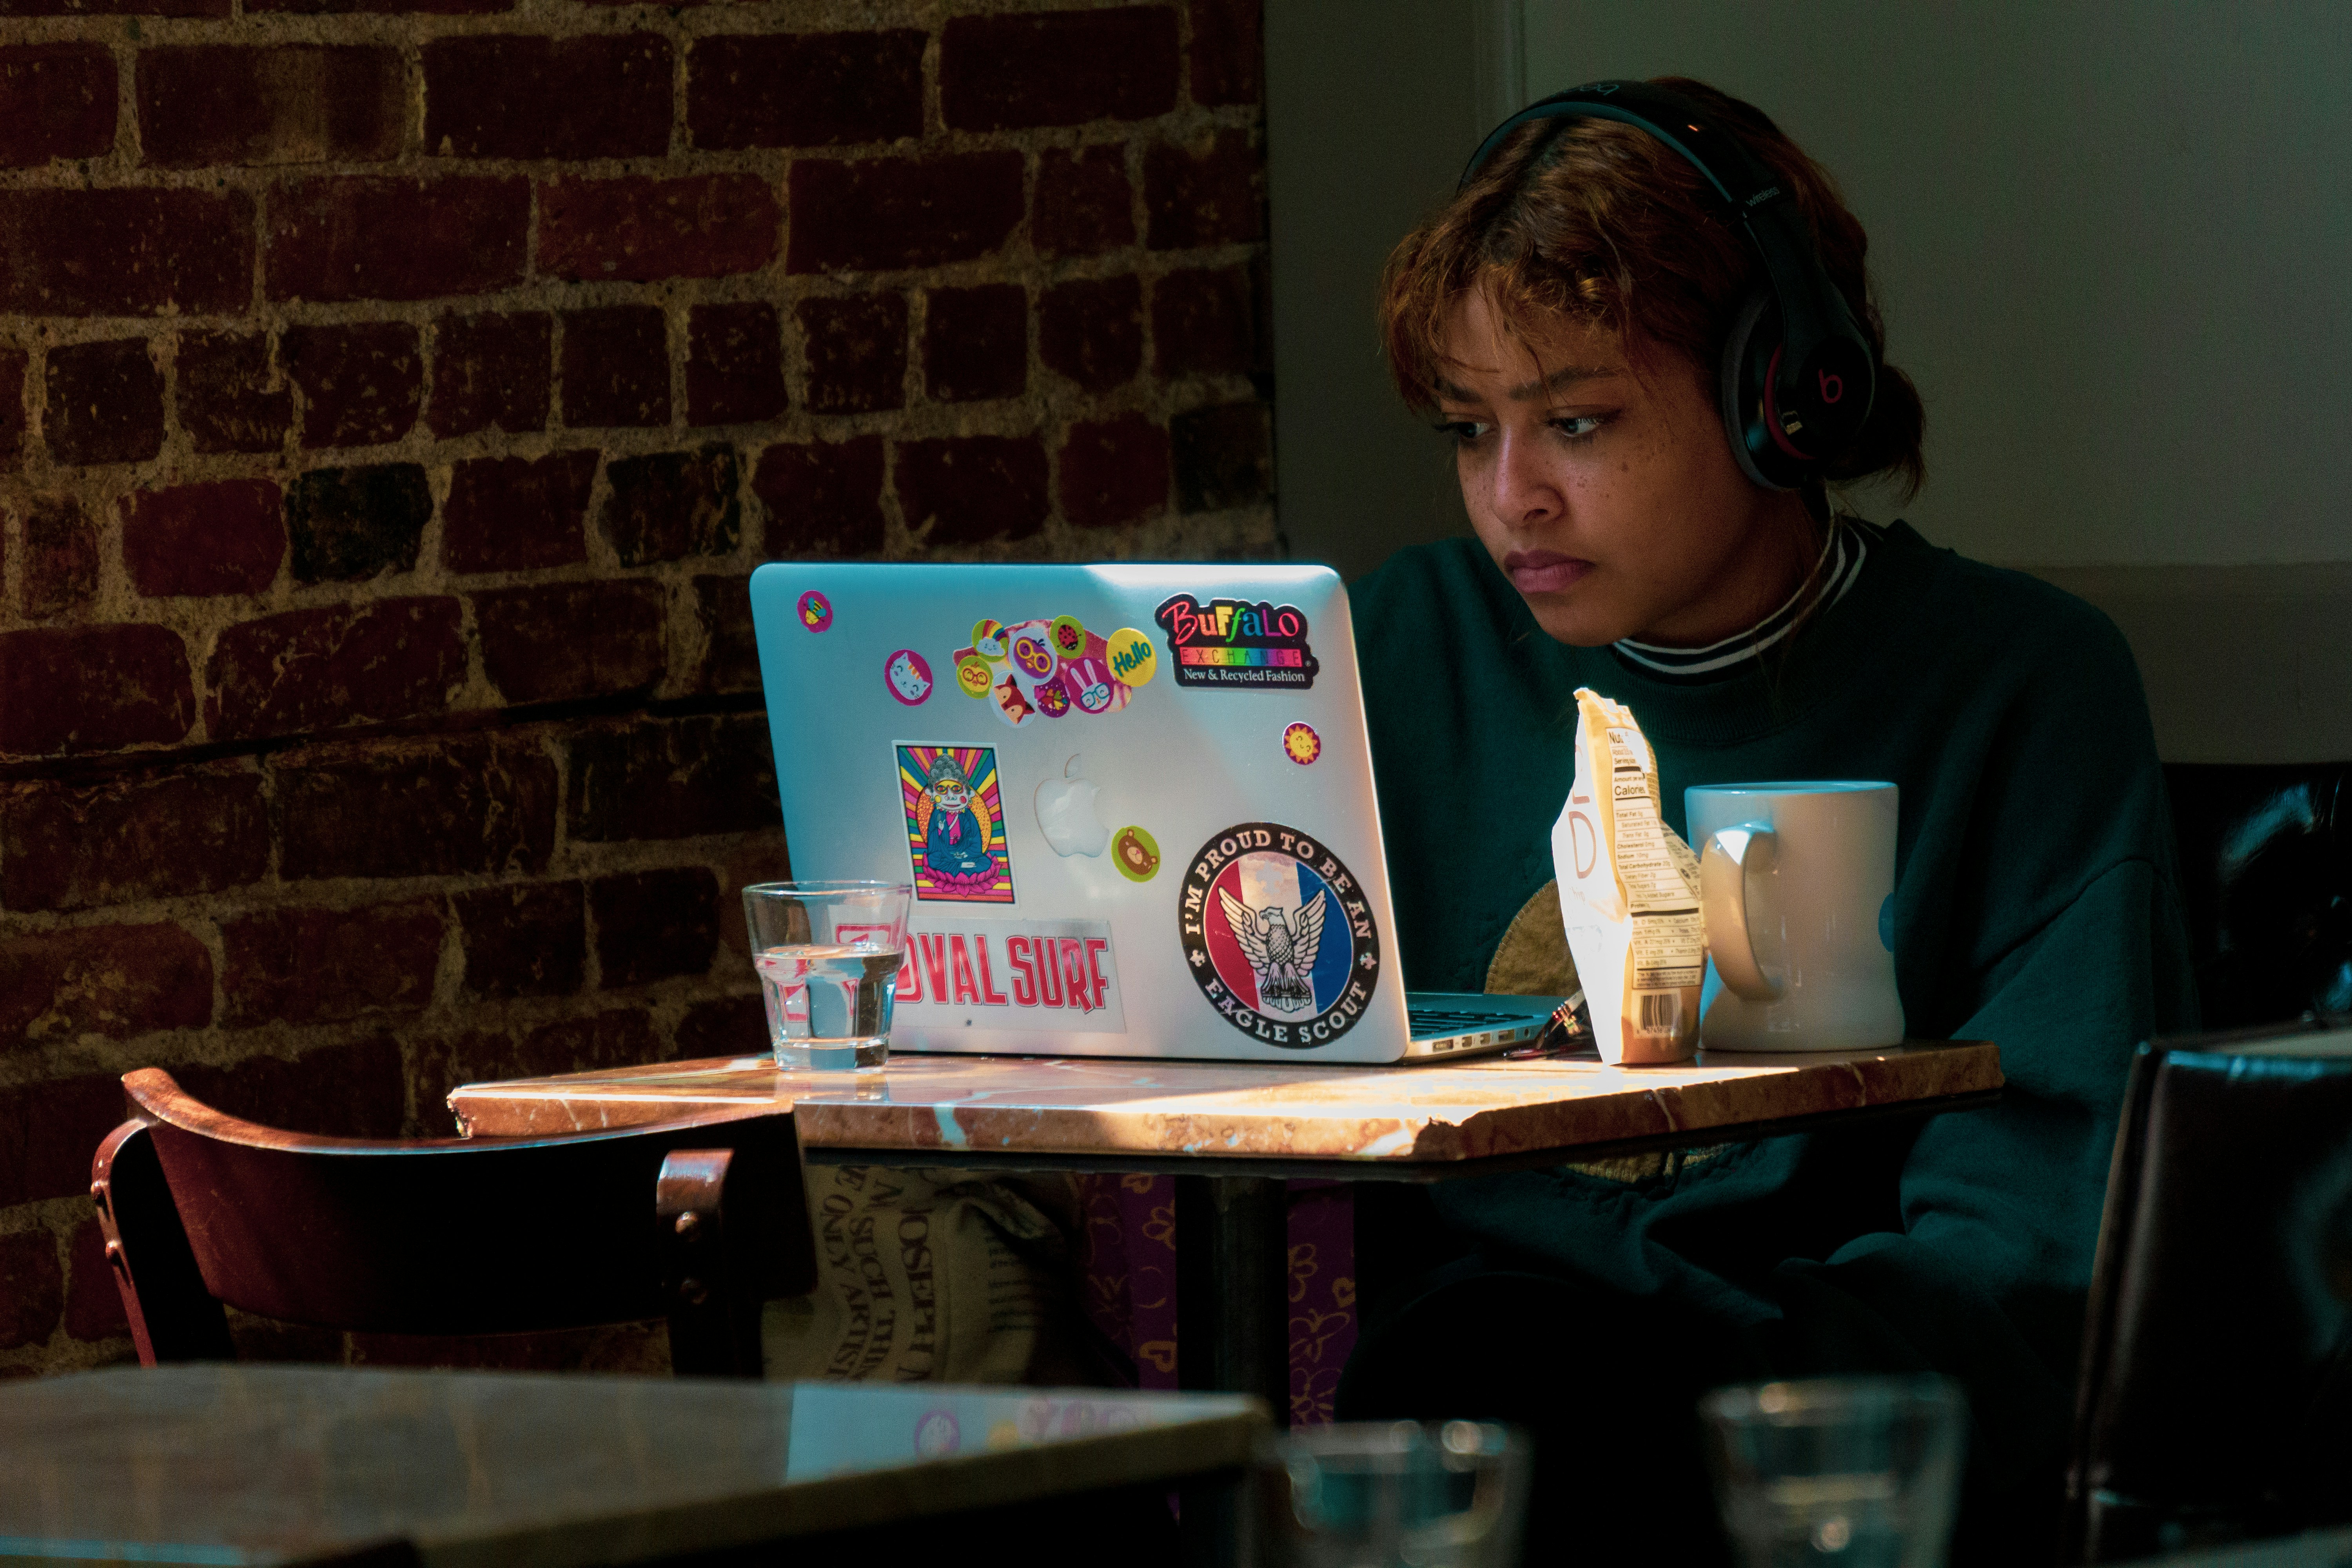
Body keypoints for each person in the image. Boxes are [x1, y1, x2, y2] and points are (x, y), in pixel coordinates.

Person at [1339, 76, 2196, 1563]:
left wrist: (1685, 1387)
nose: (1511, 498)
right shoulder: (1396, 652)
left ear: (1786, 399)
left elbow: (2042, 1257)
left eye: (1579, 422)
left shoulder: (2017, 689)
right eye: (1471, 431)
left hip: (1819, 1444)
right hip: (1459, 1412)